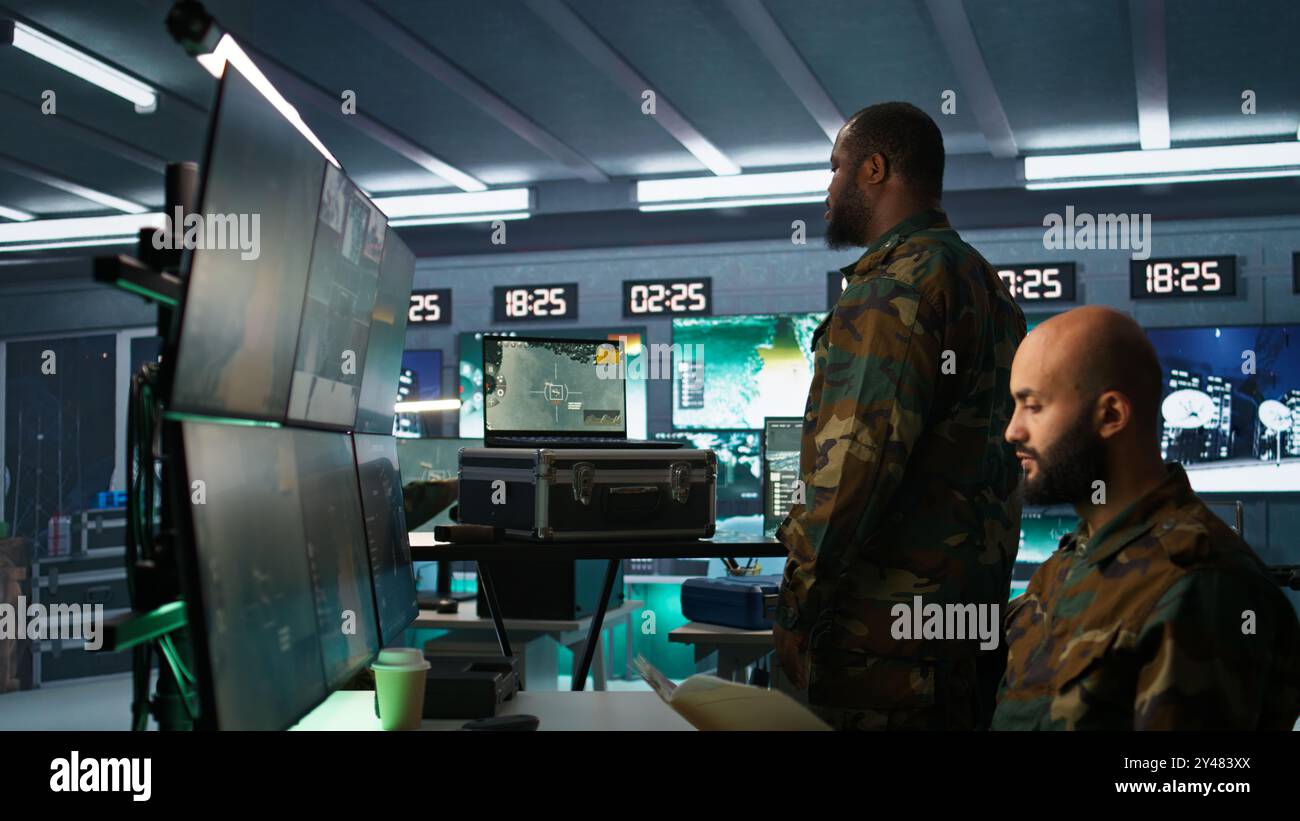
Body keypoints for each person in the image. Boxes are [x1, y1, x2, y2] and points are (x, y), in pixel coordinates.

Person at [772, 102, 1026, 729]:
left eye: (835, 169)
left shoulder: (894, 289)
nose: (827, 189)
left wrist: (795, 612)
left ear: (874, 169)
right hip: (962, 636)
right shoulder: (986, 285)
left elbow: (849, 478)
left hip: (882, 652)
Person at [993, 306, 1300, 729]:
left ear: (1112, 415)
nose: (1013, 430)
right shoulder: (1065, 566)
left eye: (1033, 406)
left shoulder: (1201, 586)